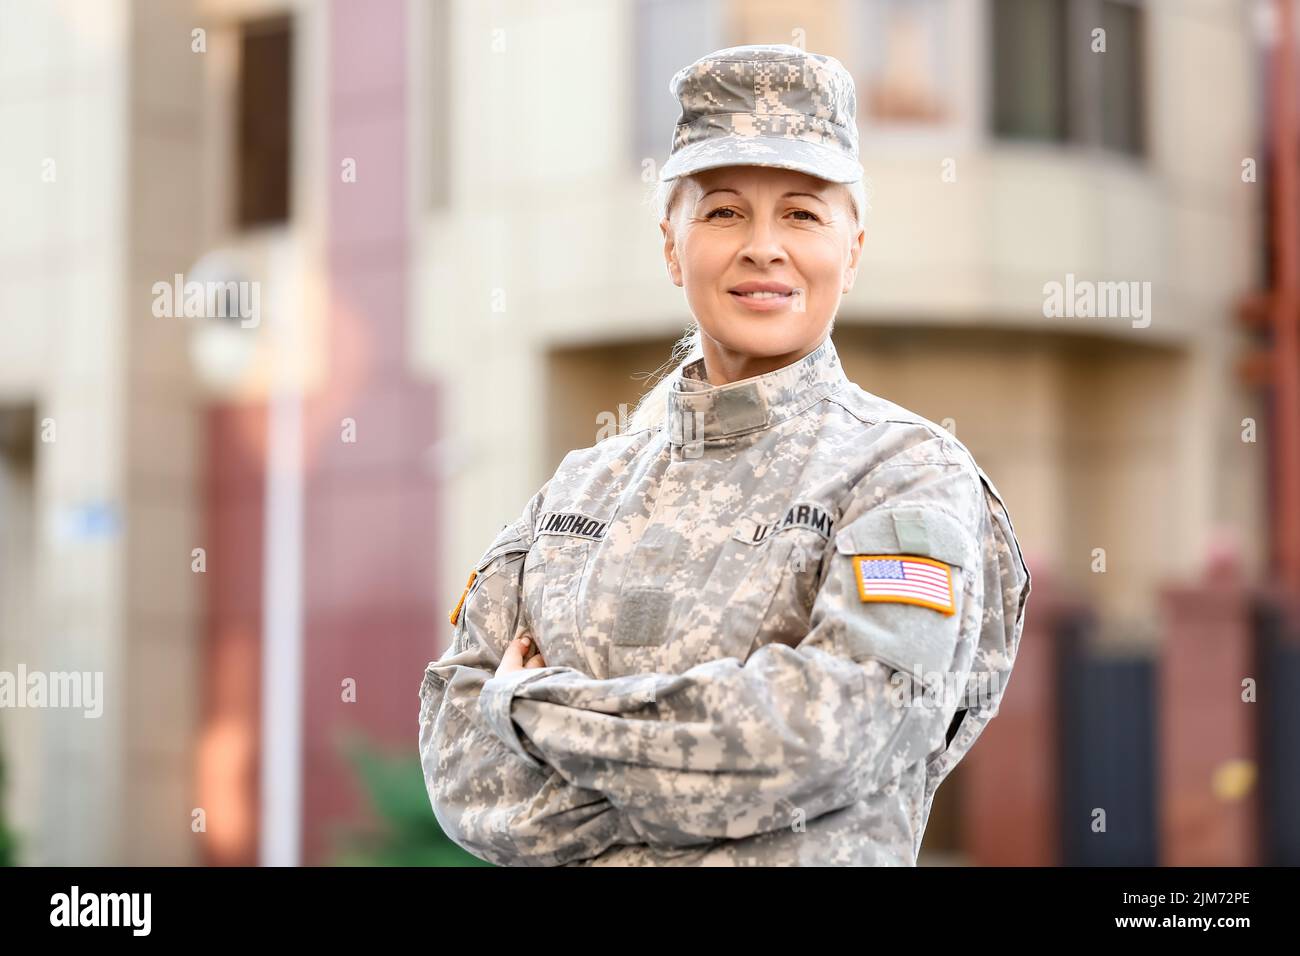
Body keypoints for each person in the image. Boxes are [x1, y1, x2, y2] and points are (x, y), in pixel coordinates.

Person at [418, 43, 1031, 866]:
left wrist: (527, 711)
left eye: (802, 214)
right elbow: (461, 771)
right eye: (723, 212)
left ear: (851, 251)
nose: (763, 247)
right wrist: (709, 783)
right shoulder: (575, 496)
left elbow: (826, 739)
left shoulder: (905, 474)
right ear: (672, 246)